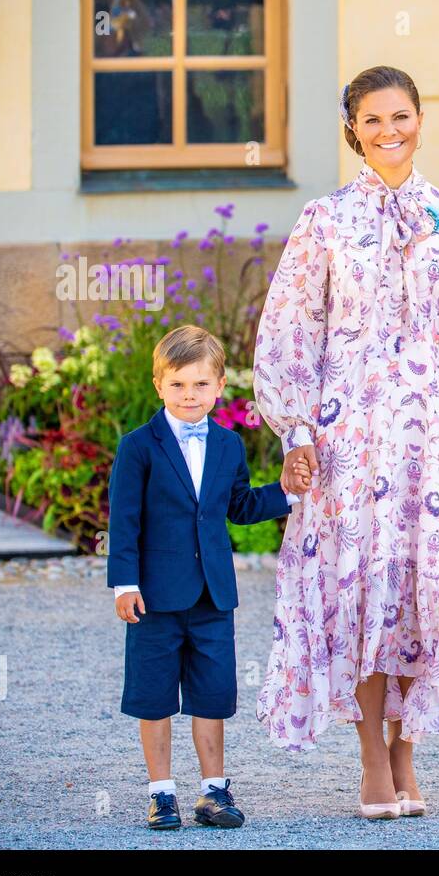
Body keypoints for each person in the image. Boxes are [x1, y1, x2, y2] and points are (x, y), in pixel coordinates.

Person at [252, 65, 439, 820]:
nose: (388, 131)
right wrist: (297, 429)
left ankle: (408, 750)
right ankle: (372, 755)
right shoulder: (323, 221)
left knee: (417, 593)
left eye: (399, 116)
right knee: (358, 591)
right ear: (353, 130)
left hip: (425, 441)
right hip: (349, 438)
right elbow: (288, 331)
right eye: (372, 120)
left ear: (420, 118)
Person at [108, 325, 299, 830]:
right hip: (154, 596)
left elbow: (237, 505)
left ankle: (214, 792)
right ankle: (161, 793)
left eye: (199, 385)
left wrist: (286, 492)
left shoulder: (229, 445)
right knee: (154, 694)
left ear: (218, 388)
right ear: (158, 385)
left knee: (211, 693)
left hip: (213, 595)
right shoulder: (138, 447)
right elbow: (123, 520)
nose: (189, 395)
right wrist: (124, 583)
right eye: (178, 385)